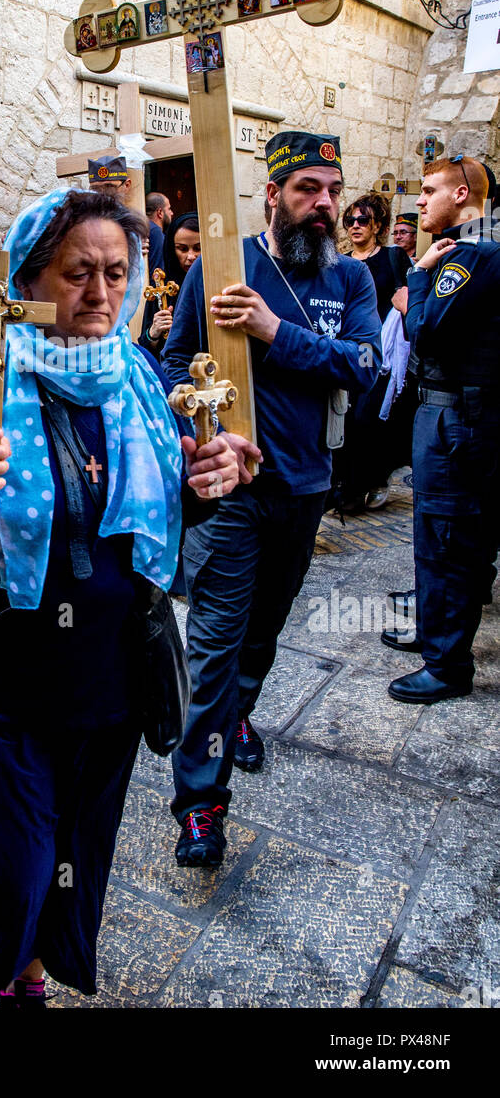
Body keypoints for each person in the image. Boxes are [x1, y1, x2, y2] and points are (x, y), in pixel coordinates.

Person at [0, 187, 239, 1007]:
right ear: (32, 279)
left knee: (74, 859)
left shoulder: (139, 379)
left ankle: (27, 974)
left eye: (117, 273)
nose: (101, 294)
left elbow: (159, 510)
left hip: (107, 689)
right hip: (2, 685)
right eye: (78, 274)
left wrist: (207, 480)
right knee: (10, 870)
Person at [162, 131, 381, 867]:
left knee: (263, 636)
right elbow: (170, 366)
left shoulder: (351, 282)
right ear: (273, 196)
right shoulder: (223, 269)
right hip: (232, 492)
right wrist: (190, 426)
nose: (323, 205)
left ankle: (238, 716)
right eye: (306, 190)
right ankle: (199, 804)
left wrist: (273, 330)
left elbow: (364, 367)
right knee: (217, 644)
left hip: (306, 491)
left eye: (331, 191)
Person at [383, 156, 500, 703]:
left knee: (444, 540)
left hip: (454, 417)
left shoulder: (466, 255)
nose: (421, 200)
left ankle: (446, 663)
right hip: (466, 415)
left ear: (460, 194)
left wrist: (416, 275)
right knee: (466, 538)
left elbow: (426, 330)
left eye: (430, 191)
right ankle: (440, 636)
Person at [330, 193, 411, 512]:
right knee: (345, 420)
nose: (355, 226)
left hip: (381, 356)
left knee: (367, 421)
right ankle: (346, 488)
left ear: (378, 225)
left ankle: (370, 481)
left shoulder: (393, 259)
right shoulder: (340, 261)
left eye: (363, 220)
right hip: (346, 352)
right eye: (349, 220)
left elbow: (408, 299)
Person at [140, 212, 200, 355]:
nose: (191, 256)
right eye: (182, 249)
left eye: (198, 248)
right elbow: (146, 345)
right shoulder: (162, 289)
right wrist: (154, 331)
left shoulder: (217, 285)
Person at [145, 191, 172, 279]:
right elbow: (156, 270)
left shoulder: (147, 227)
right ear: (160, 212)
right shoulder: (155, 231)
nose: (172, 213)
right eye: (169, 209)